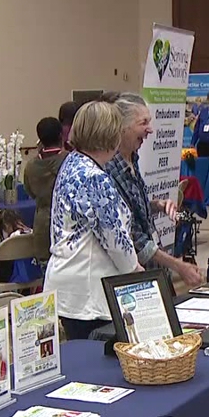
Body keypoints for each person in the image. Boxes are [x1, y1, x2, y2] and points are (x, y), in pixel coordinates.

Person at [44, 101, 139, 340]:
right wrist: (136, 270)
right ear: (112, 136)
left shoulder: (72, 163)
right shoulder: (94, 178)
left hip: (67, 284)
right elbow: (116, 240)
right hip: (87, 295)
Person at [104, 93, 203, 289]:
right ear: (122, 127)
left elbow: (133, 208)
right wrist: (178, 266)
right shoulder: (109, 170)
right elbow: (132, 235)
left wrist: (156, 205)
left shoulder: (133, 158)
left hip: (152, 270)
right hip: (131, 277)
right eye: (143, 123)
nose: (150, 130)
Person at [23, 117, 67, 263]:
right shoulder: (69, 161)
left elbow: (29, 191)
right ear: (61, 135)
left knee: (46, 276)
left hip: (42, 226)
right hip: (66, 225)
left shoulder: (31, 166)